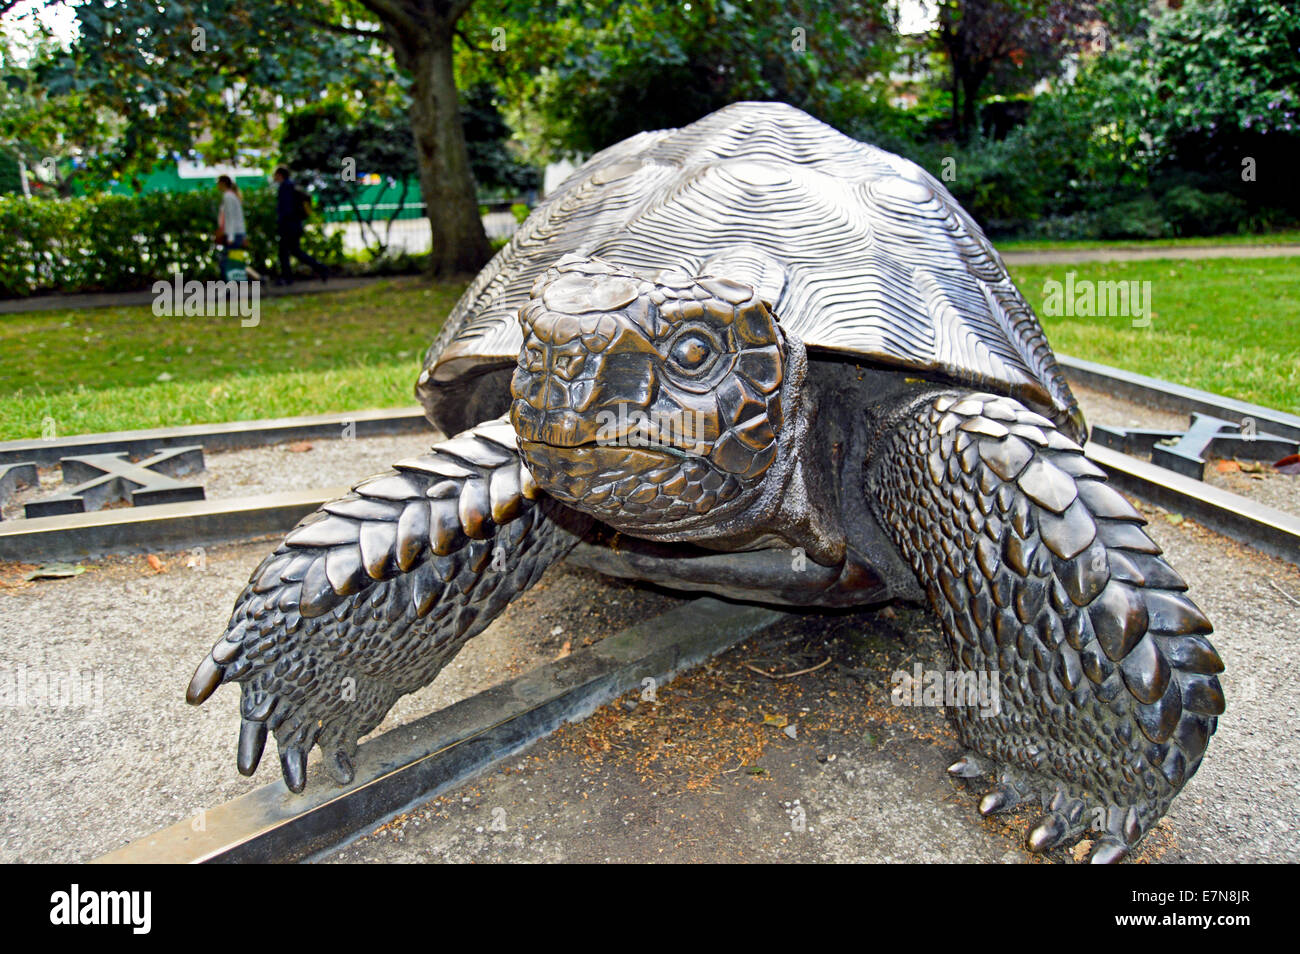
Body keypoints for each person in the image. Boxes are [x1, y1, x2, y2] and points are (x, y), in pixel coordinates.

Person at [273, 166, 328, 285]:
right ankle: (320, 268)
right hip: (294, 224)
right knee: (294, 251)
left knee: (285, 252)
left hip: (289, 225)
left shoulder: (285, 187)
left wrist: (281, 221)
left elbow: (286, 209)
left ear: (280, 175)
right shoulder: (291, 186)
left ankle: (287, 278)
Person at [215, 175, 259, 281]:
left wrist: (230, 237)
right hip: (237, 233)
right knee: (234, 261)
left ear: (223, 183)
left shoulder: (228, 197)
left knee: (227, 262)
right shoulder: (232, 196)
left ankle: (231, 287)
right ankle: (256, 278)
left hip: (233, 234)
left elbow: (230, 218)